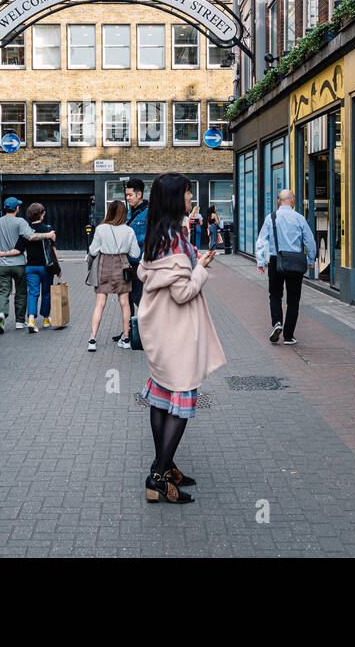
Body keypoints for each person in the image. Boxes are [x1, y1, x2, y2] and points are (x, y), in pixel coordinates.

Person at [136, 172, 225, 504]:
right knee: (181, 399)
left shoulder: (159, 235)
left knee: (161, 395)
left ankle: (166, 466)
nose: (191, 198)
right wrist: (200, 266)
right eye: (188, 193)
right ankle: (158, 477)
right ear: (176, 198)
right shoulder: (176, 241)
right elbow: (184, 291)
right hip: (178, 333)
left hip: (161, 331)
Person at [255, 189, 317, 345]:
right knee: (293, 300)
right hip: (295, 262)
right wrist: (310, 259)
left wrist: (260, 261)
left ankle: (277, 323)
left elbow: (261, 240)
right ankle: (289, 336)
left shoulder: (271, 218)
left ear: (278, 201)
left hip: (276, 261)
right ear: (293, 200)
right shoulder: (299, 218)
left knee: (275, 295)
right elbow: (310, 241)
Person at [0, 197, 55, 333]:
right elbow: (31, 237)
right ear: (16, 208)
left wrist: (0, 253)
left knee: (3, 292)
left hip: (2, 264)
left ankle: (1, 314)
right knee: (21, 293)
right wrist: (48, 235)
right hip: (19, 263)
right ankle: (20, 322)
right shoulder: (20, 222)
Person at [87, 199, 141, 351]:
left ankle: (92, 339)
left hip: (104, 265)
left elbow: (92, 250)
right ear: (124, 213)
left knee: (100, 304)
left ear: (109, 211)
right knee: (125, 303)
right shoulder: (129, 231)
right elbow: (135, 254)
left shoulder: (101, 229)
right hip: (122, 265)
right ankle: (125, 338)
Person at [116, 178, 149, 341]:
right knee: (125, 299)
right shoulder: (128, 212)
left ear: (139, 194)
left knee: (139, 297)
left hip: (139, 263)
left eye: (130, 195)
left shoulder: (149, 212)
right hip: (125, 263)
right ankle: (127, 330)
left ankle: (148, 332)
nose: (127, 198)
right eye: (126, 195)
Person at [22, 202, 59, 332]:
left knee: (32, 293)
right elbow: (53, 250)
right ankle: (45, 319)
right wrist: (58, 268)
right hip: (46, 267)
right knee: (46, 293)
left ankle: (31, 319)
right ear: (42, 215)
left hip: (30, 267)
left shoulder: (26, 231)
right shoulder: (48, 229)